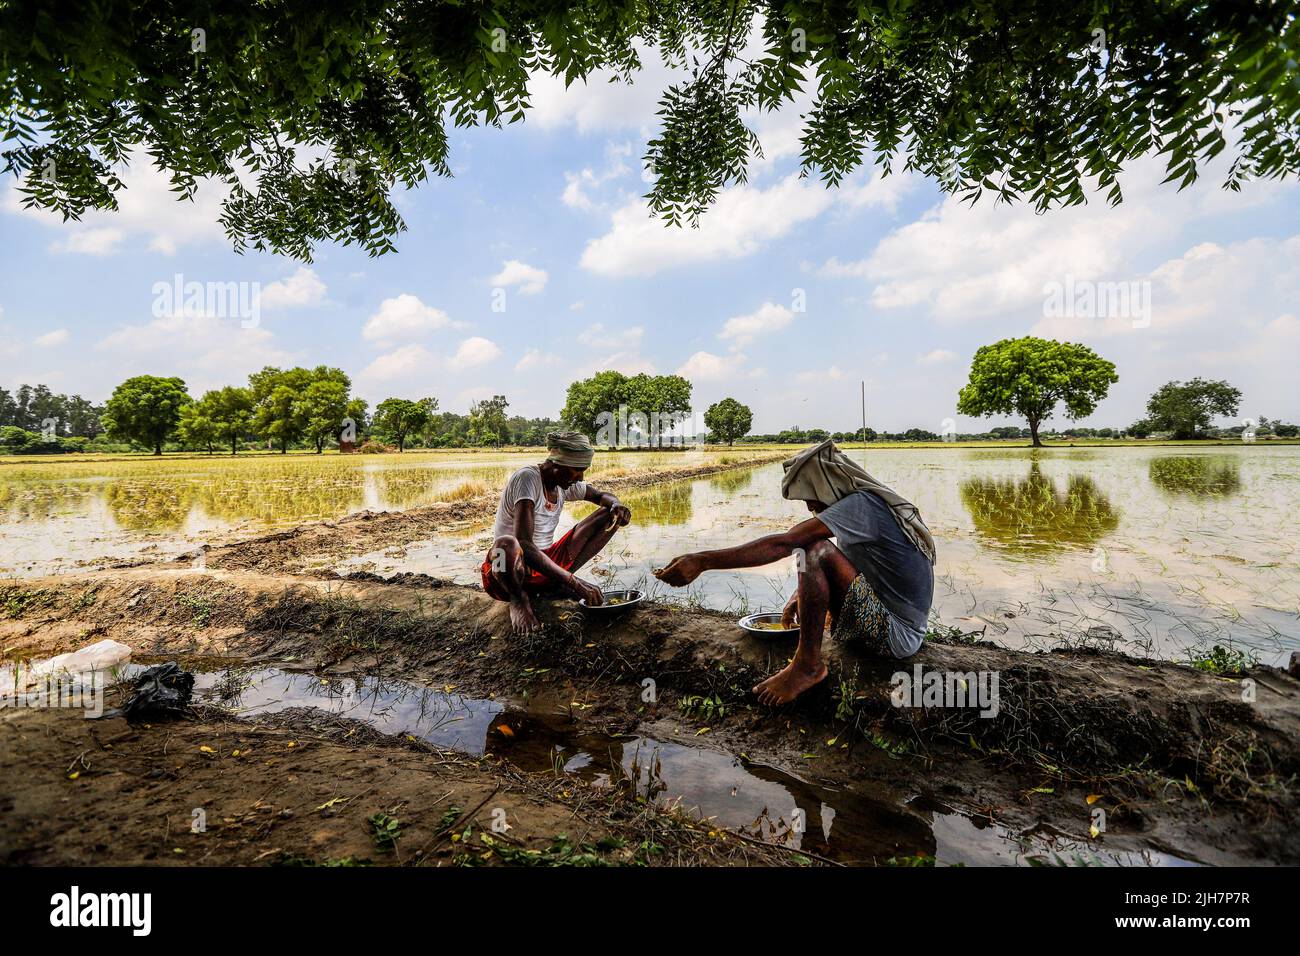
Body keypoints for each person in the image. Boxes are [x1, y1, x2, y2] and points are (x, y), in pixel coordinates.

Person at [655, 440, 935, 704]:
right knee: (816, 550)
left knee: (814, 549)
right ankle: (808, 661)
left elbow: (787, 543)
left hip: (897, 634)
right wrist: (798, 596)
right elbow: (852, 566)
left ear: (828, 487)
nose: (810, 507)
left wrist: (703, 561)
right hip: (891, 623)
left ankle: (808, 665)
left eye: (811, 497)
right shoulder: (862, 508)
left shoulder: (863, 507)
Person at [482, 430, 631, 634]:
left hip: (543, 569)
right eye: (576, 470)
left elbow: (603, 496)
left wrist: (616, 505)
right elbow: (524, 544)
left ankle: (558, 585)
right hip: (507, 574)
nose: (580, 477)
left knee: (607, 515)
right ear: (557, 464)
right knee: (504, 545)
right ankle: (518, 600)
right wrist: (576, 584)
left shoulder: (564, 484)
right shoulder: (527, 478)